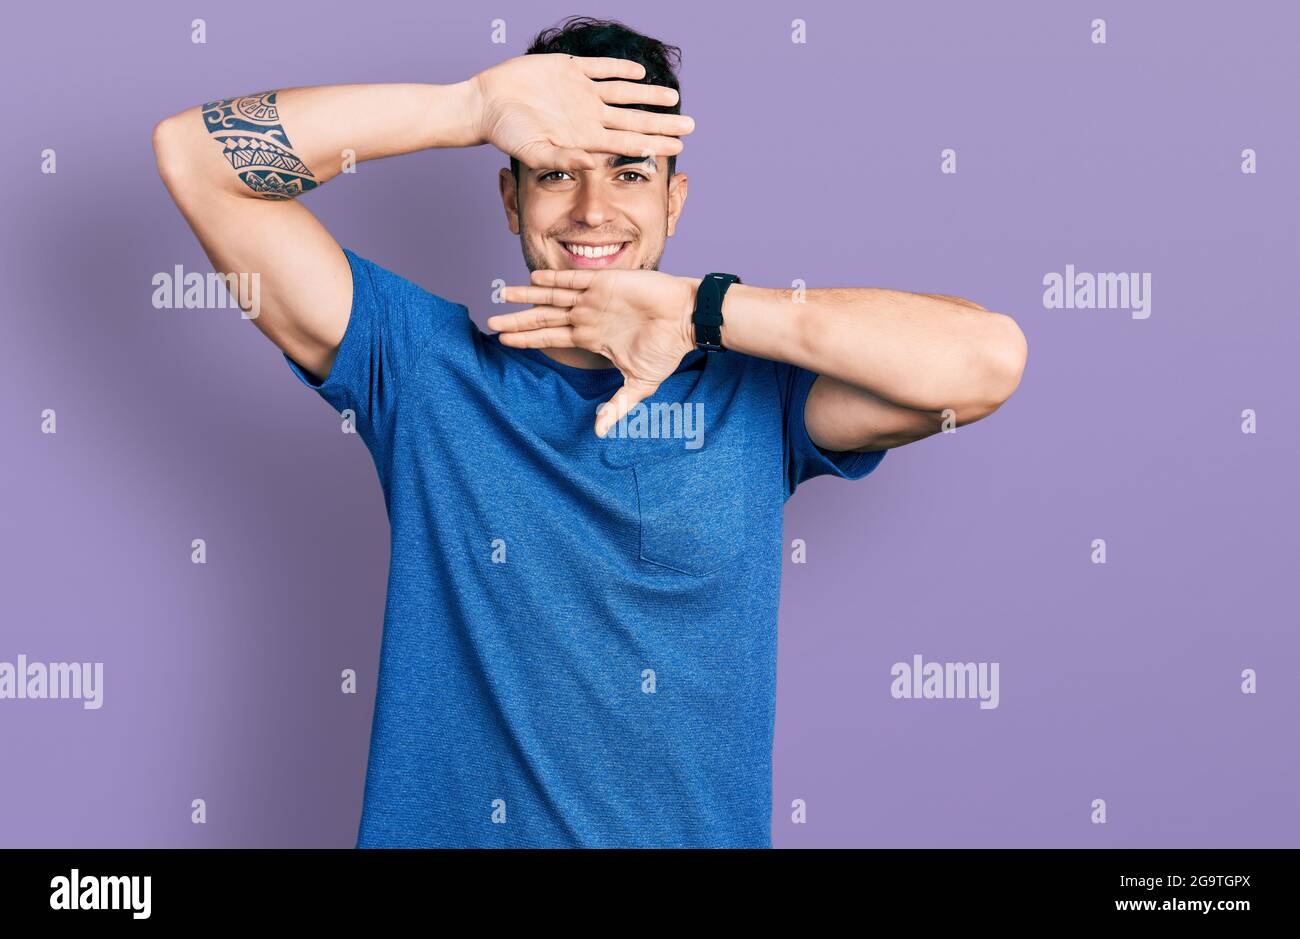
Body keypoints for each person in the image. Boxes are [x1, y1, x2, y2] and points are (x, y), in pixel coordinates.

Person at [151, 15, 1028, 848]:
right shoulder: (419, 368)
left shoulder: (757, 395)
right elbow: (194, 155)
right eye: (556, 169)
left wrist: (703, 308)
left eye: (630, 171)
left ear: (676, 200)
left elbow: (986, 359)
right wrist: (467, 108)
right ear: (511, 197)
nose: (592, 210)